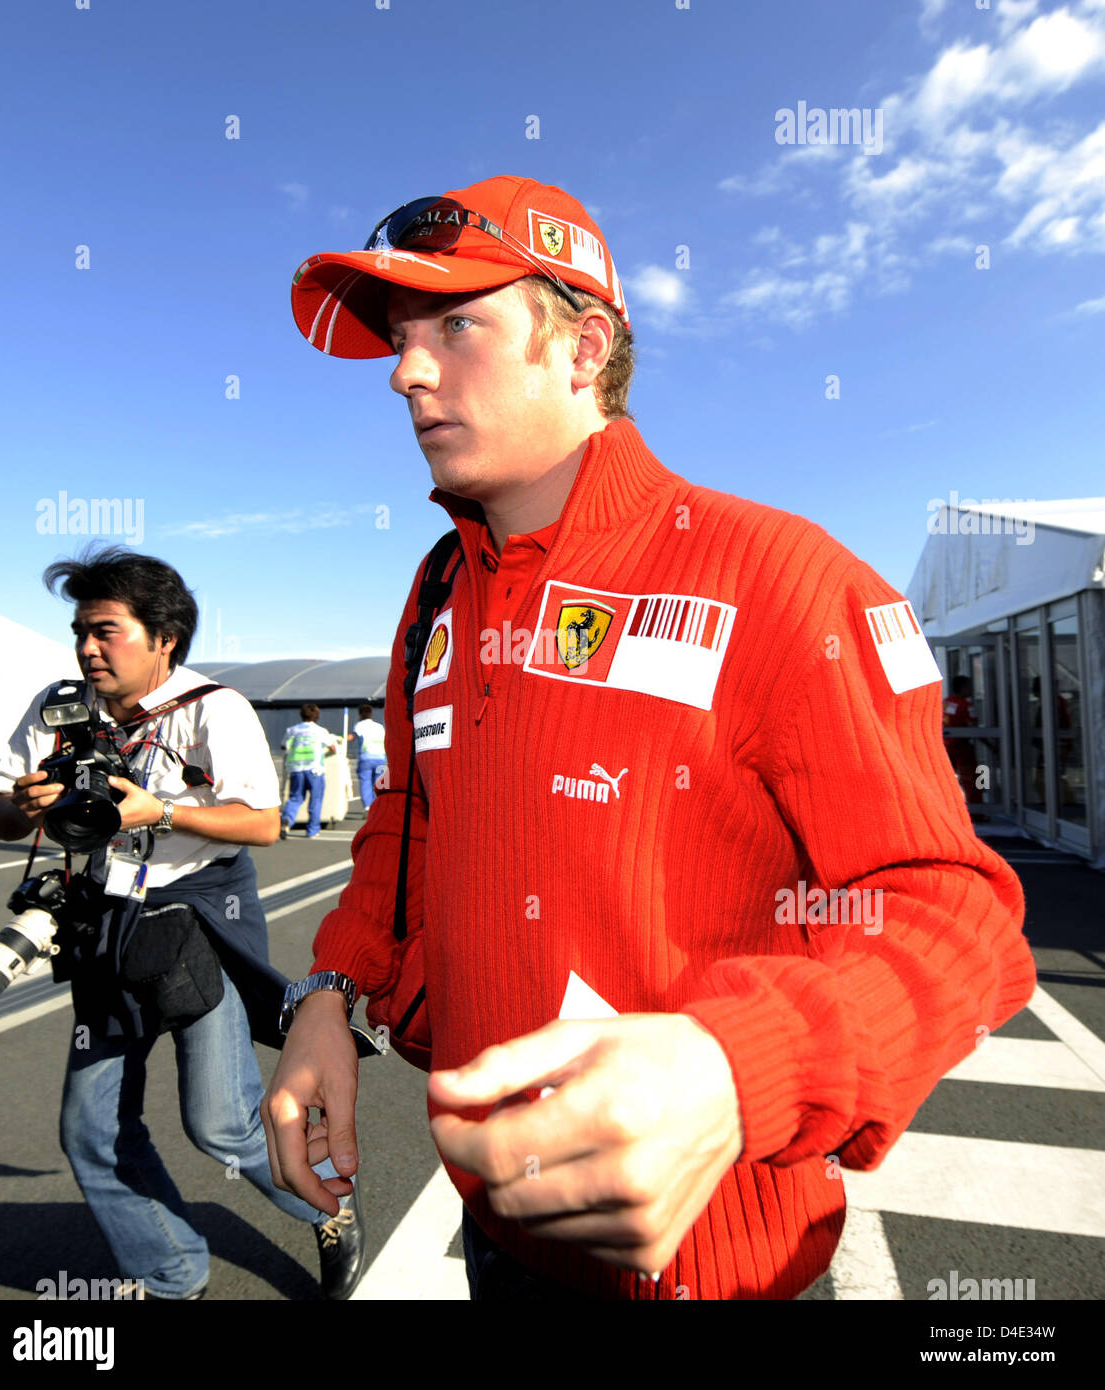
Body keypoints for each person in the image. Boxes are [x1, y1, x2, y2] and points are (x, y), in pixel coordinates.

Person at [264, 176, 1036, 1300]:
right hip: (498, 1234)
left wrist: (735, 1069)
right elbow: (403, 823)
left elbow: (954, 913)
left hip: (722, 1268)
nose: (405, 371)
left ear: (582, 349)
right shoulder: (437, 594)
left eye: (455, 327)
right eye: (398, 339)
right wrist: (330, 991)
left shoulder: (783, 577)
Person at [0, 546, 363, 1301]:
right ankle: (170, 1270)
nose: (88, 648)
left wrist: (163, 810)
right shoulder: (60, 706)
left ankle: (329, 1205)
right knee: (92, 1131)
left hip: (195, 922)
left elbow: (262, 824)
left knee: (221, 1124)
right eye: (80, 631)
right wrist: (21, 808)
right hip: (102, 924)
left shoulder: (212, 707)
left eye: (107, 631)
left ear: (164, 639)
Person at [280, 702, 339, 838]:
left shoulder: (292, 730)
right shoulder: (320, 731)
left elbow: (283, 746)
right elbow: (333, 747)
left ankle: (287, 820)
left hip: (296, 768)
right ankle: (312, 830)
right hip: (314, 769)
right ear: (317, 716)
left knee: (295, 798)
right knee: (315, 800)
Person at [942, 674, 983, 815]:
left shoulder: (945, 702)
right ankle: (977, 812)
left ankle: (950, 810)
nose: (971, 689)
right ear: (962, 688)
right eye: (969, 686)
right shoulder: (966, 705)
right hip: (962, 747)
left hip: (947, 747)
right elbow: (973, 725)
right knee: (972, 779)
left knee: (948, 779)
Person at [347, 703, 386, 813]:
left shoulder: (359, 725)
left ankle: (368, 806)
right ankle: (378, 805)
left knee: (365, 782)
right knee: (379, 783)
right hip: (380, 757)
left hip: (366, 757)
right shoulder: (379, 726)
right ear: (371, 714)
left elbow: (353, 736)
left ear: (360, 714)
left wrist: (342, 739)